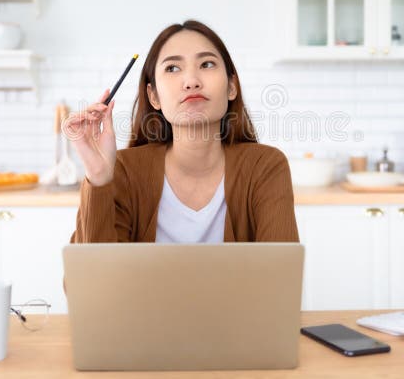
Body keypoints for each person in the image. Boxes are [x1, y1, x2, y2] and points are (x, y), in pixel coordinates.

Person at [65, 20, 298, 243]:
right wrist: (98, 177)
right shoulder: (123, 171)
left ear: (232, 87)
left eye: (206, 64)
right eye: (173, 68)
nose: (191, 81)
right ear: (153, 96)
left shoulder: (265, 167)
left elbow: (281, 279)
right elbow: (90, 282)